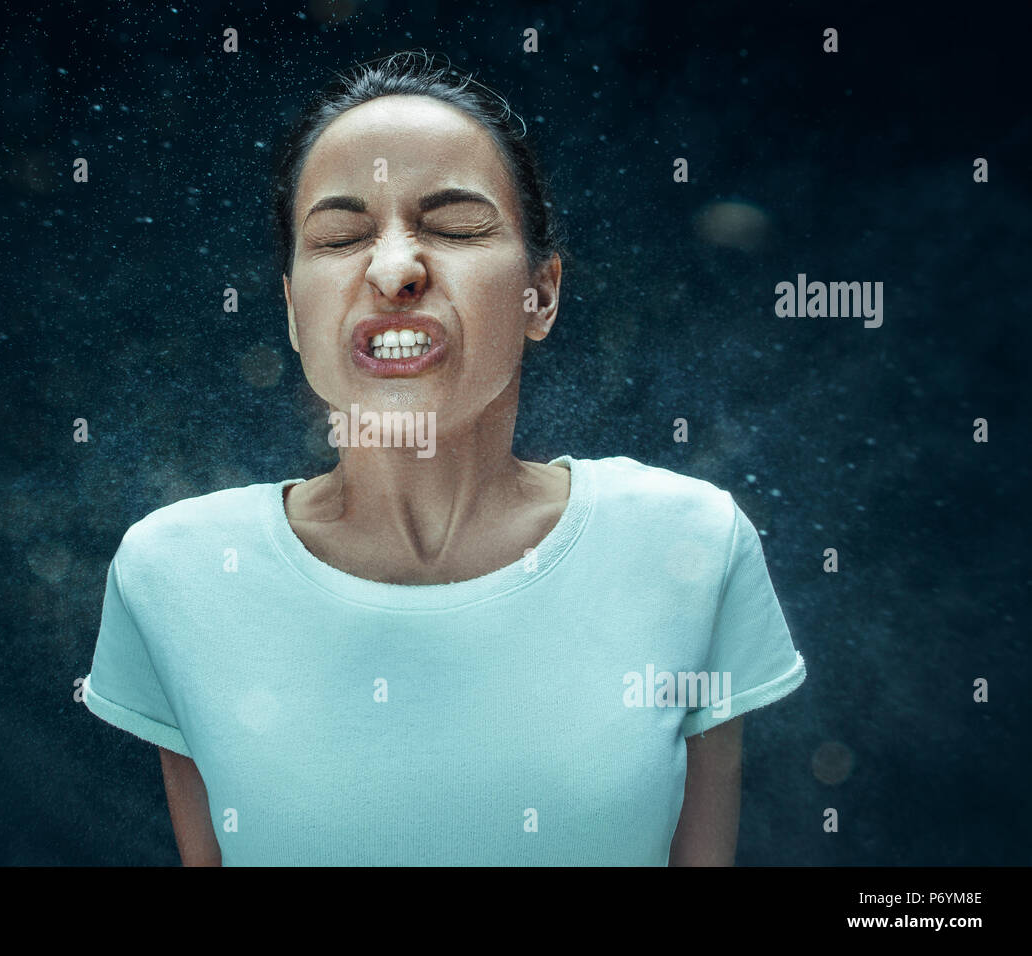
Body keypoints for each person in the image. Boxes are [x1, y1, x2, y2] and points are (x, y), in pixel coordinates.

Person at [81, 49, 807, 866]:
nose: (394, 269)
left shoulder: (690, 547)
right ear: (290, 310)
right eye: (341, 235)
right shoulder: (178, 574)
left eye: (456, 227)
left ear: (543, 294)